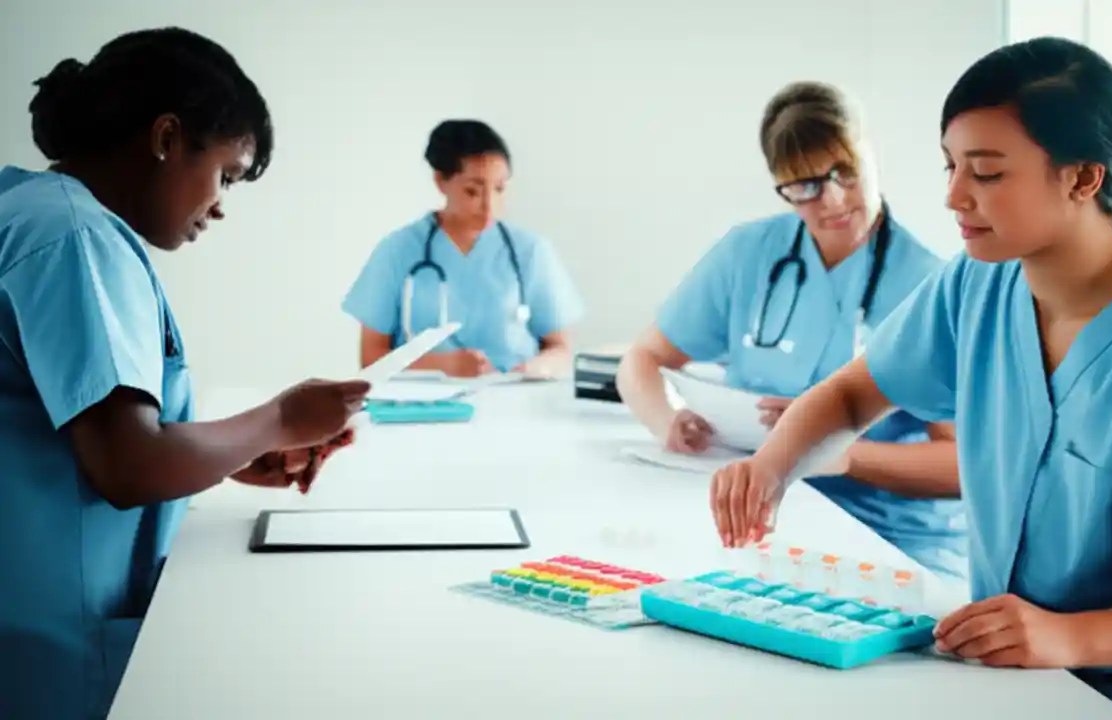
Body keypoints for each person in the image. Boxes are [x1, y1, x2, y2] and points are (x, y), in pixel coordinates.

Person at [711, 37, 1112, 719]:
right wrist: (771, 469)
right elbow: (853, 392)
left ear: (1082, 178)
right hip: (1023, 684)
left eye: (986, 173)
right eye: (951, 166)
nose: (953, 195)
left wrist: (1066, 636)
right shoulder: (978, 284)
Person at [0, 28, 370, 720]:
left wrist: (237, 452)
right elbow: (129, 463)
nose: (222, 202)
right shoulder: (73, 238)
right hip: (44, 648)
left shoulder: (32, 212)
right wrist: (279, 420)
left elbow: (70, 433)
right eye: (226, 174)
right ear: (167, 138)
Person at [618, 82, 967, 579]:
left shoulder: (930, 283)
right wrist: (665, 420)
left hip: (891, 537)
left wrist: (838, 453)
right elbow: (643, 357)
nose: (833, 200)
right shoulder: (749, 253)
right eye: (804, 185)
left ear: (872, 153)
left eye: (845, 172)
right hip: (770, 517)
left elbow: (964, 467)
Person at [342, 120, 584, 379]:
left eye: (499, 188)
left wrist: (536, 368)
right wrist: (444, 365)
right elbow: (371, 359)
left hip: (516, 399)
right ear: (441, 181)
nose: (489, 205)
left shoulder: (531, 251)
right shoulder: (398, 250)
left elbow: (560, 349)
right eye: (473, 191)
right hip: (423, 407)